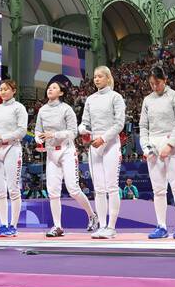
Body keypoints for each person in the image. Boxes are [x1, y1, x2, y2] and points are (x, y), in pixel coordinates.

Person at [36, 80, 96, 237]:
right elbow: (37, 131)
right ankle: (57, 227)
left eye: (54, 87)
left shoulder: (66, 109)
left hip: (66, 151)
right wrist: (39, 139)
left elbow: (72, 132)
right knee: (53, 192)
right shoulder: (42, 110)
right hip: (50, 153)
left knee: (73, 189)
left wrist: (53, 135)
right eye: (49, 87)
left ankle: (92, 215)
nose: (50, 89)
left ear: (61, 93)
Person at [140, 64, 175, 239]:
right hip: (153, 145)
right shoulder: (147, 100)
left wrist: (170, 145)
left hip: (172, 144)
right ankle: (161, 226)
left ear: (165, 80)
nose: (154, 86)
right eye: (151, 83)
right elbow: (143, 126)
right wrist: (146, 146)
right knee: (158, 190)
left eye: (157, 83)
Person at [80, 66, 127, 239]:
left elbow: (119, 123)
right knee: (99, 188)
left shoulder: (116, 97)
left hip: (110, 144)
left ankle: (112, 227)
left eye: (100, 76)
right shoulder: (90, 99)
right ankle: (102, 225)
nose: (96, 79)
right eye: (95, 77)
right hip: (94, 146)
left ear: (108, 78)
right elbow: (85, 122)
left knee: (112, 186)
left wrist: (104, 138)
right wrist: (83, 130)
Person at [0, 79, 28, 238]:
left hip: (12, 148)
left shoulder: (19, 108)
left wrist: (2, 137)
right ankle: (3, 224)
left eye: (6, 89)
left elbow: (22, 131)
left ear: (13, 90)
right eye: (1, 89)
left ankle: (13, 226)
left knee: (13, 189)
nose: (2, 92)